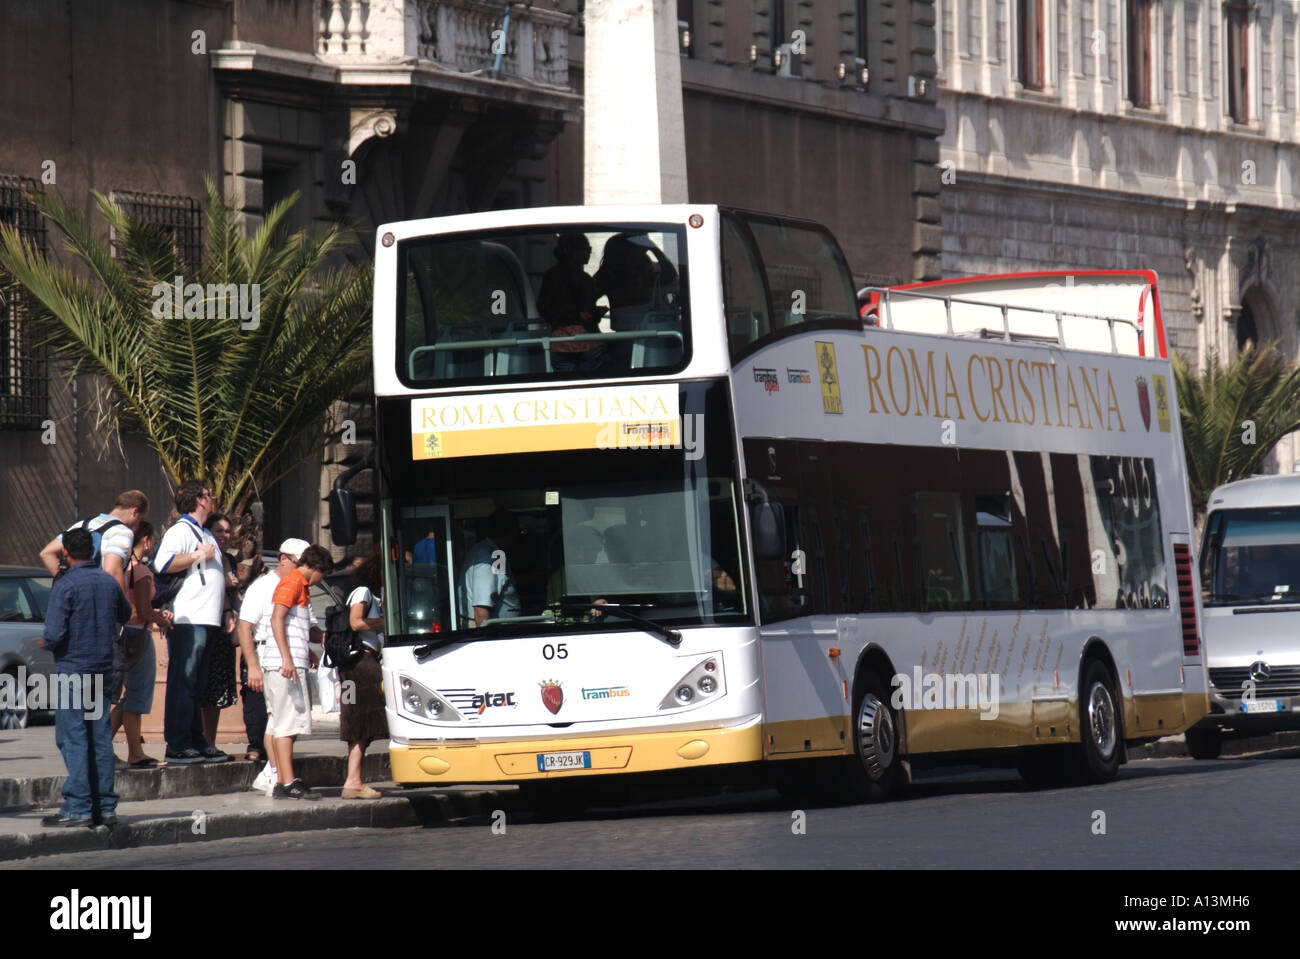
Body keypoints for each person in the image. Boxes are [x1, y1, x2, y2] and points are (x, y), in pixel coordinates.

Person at [40, 527, 133, 827]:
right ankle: (105, 806)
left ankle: (78, 805)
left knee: (73, 737)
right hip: (102, 669)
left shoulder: (65, 585)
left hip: (74, 671)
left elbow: (54, 634)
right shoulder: (108, 583)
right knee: (100, 737)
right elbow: (126, 613)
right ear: (93, 552)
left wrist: (48, 643)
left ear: (65, 552)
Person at [153, 479, 228, 765]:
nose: (212, 499)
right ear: (199, 499)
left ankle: (196, 740)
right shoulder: (181, 531)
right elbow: (162, 563)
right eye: (209, 495)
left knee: (197, 684)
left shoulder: (206, 533)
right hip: (189, 618)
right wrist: (198, 555)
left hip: (208, 620)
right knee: (183, 681)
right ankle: (178, 744)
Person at [236, 539, 309, 795]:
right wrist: (252, 666)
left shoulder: (299, 584)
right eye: (301, 563)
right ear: (284, 559)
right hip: (269, 654)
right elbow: (245, 626)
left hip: (286, 654)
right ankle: (277, 775)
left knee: (276, 720)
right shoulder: (263, 587)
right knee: (278, 720)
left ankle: (274, 774)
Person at [265, 545, 333, 799]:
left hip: (291, 660)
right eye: (322, 576)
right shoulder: (293, 582)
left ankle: (284, 780)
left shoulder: (299, 585)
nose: (320, 581)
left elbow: (293, 624)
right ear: (316, 569)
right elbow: (276, 618)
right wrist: (287, 657)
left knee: (285, 723)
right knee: (287, 723)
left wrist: (307, 650)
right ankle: (287, 781)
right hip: (284, 664)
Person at [109, 521, 171, 767]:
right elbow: (144, 610)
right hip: (139, 636)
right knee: (137, 696)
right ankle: (136, 752)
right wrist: (161, 618)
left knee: (127, 697)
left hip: (122, 634)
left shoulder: (120, 567)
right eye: (153, 540)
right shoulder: (142, 572)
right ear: (146, 540)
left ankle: (103, 745)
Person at [339, 547, 388, 800]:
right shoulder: (363, 592)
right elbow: (356, 622)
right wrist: (386, 620)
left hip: (357, 665)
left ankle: (354, 778)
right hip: (361, 663)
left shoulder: (370, 594)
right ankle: (353, 780)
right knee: (362, 718)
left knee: (358, 718)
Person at [39, 490, 149, 598]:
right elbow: (112, 570)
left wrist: (65, 583)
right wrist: (123, 606)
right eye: (140, 519)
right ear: (134, 511)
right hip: (99, 603)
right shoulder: (122, 532)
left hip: (73, 601)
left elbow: (47, 553)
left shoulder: (82, 524)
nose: (138, 526)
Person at [593, 233, 680, 368]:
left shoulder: (651, 269)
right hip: (626, 334)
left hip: (652, 332)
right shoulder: (609, 274)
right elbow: (588, 297)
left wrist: (654, 249)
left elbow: (671, 276)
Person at [198, 513, 239, 758]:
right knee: (200, 686)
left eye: (227, 531)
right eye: (218, 530)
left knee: (217, 690)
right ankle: (197, 740)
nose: (224, 536)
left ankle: (210, 741)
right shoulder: (203, 557)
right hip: (204, 625)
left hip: (224, 630)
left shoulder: (230, 560)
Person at [537, 232, 608, 373]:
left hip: (559, 343)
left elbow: (543, 307)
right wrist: (596, 313)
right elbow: (585, 312)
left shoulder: (550, 276)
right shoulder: (583, 279)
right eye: (585, 249)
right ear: (572, 252)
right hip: (588, 343)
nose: (589, 253)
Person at [464, 509, 522, 626]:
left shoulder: (492, 551)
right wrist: (487, 640)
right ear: (510, 532)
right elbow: (481, 608)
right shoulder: (489, 556)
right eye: (517, 530)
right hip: (492, 632)